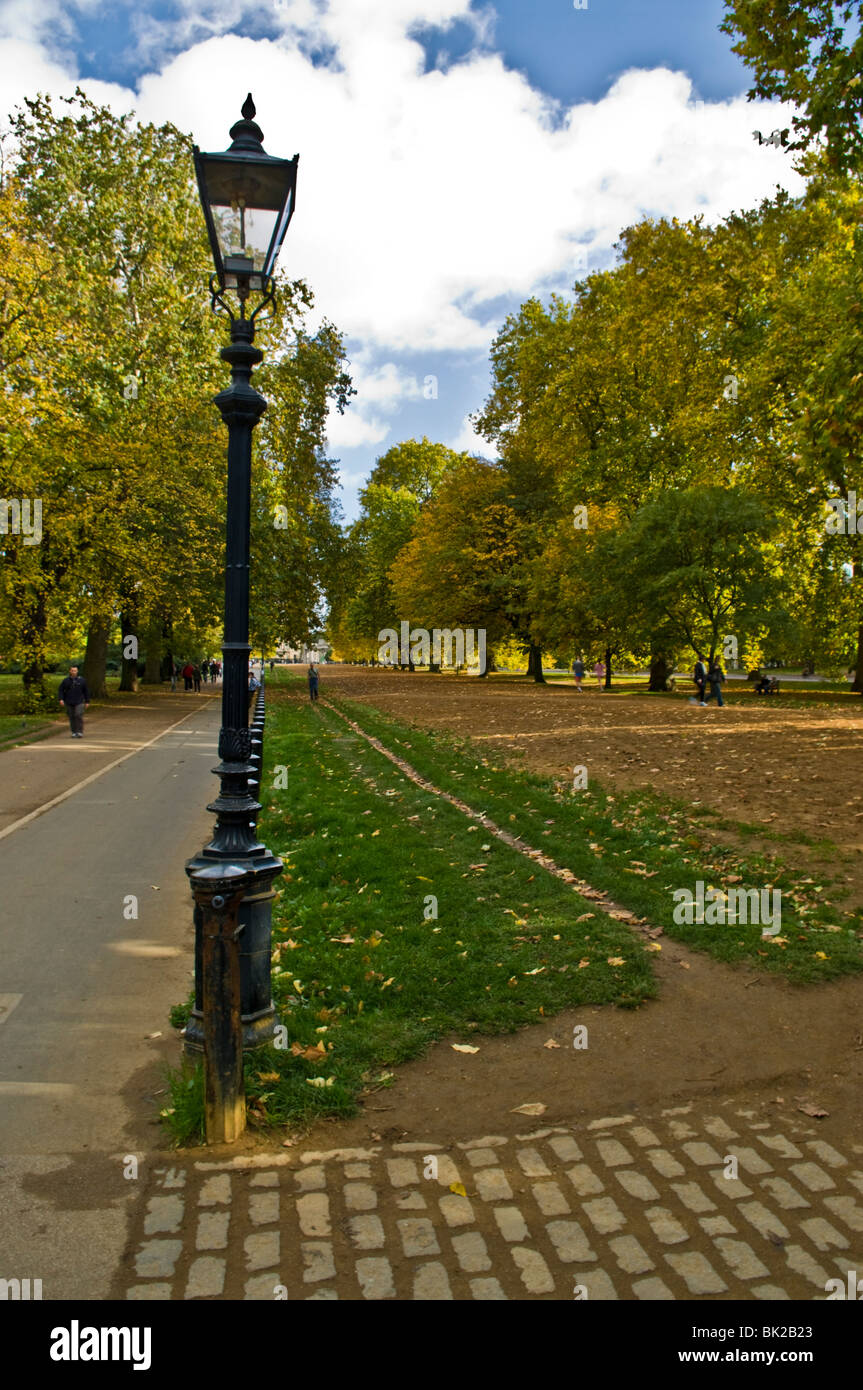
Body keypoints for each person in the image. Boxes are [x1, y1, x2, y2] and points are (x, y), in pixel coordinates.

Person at [58, 665, 90, 738]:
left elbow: (86, 691)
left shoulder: (82, 680)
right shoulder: (66, 681)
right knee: (71, 717)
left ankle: (80, 731)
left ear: (77, 671)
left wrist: (87, 701)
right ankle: (74, 732)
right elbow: (61, 690)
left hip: (79, 701)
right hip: (69, 701)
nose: (74, 672)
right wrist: (61, 699)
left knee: (78, 715)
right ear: (70, 671)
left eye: (75, 671)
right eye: (72, 671)